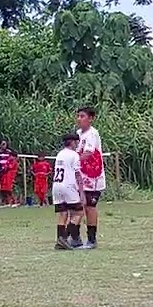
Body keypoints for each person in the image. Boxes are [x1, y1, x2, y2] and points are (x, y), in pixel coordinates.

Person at [75, 106, 105, 249]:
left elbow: (88, 153)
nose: (79, 119)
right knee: (78, 205)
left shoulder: (92, 134)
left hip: (93, 176)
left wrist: (72, 161)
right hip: (81, 175)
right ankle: (75, 236)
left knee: (90, 206)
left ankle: (92, 239)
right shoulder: (78, 134)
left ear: (91, 118)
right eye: (78, 116)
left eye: (82, 116)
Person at [51, 133, 85, 250]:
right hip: (68, 186)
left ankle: (59, 240)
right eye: (76, 142)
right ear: (72, 142)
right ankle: (64, 238)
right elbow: (77, 174)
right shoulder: (74, 155)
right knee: (79, 212)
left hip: (57, 185)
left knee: (63, 214)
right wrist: (81, 191)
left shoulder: (60, 154)